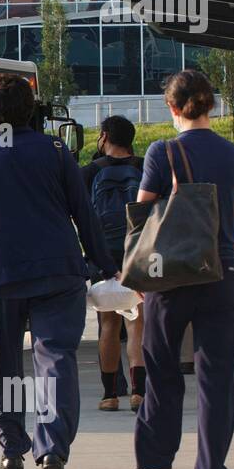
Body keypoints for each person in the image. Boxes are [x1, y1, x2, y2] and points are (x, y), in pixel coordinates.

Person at [0, 75, 118, 469]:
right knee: (55, 359)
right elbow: (84, 213)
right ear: (32, 109)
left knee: (4, 362)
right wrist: (105, 264)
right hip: (57, 271)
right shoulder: (57, 151)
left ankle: (12, 450)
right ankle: (52, 453)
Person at [132, 69, 234, 469]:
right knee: (216, 377)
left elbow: (143, 220)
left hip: (169, 276)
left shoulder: (161, 153)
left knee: (162, 372)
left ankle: (157, 468)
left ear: (172, 107)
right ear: (212, 104)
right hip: (221, 275)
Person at [82, 116, 146, 412]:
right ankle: (139, 392)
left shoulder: (89, 172)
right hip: (139, 252)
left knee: (109, 323)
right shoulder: (144, 167)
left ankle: (109, 395)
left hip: (103, 253)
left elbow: (78, 215)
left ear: (104, 137)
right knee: (137, 322)